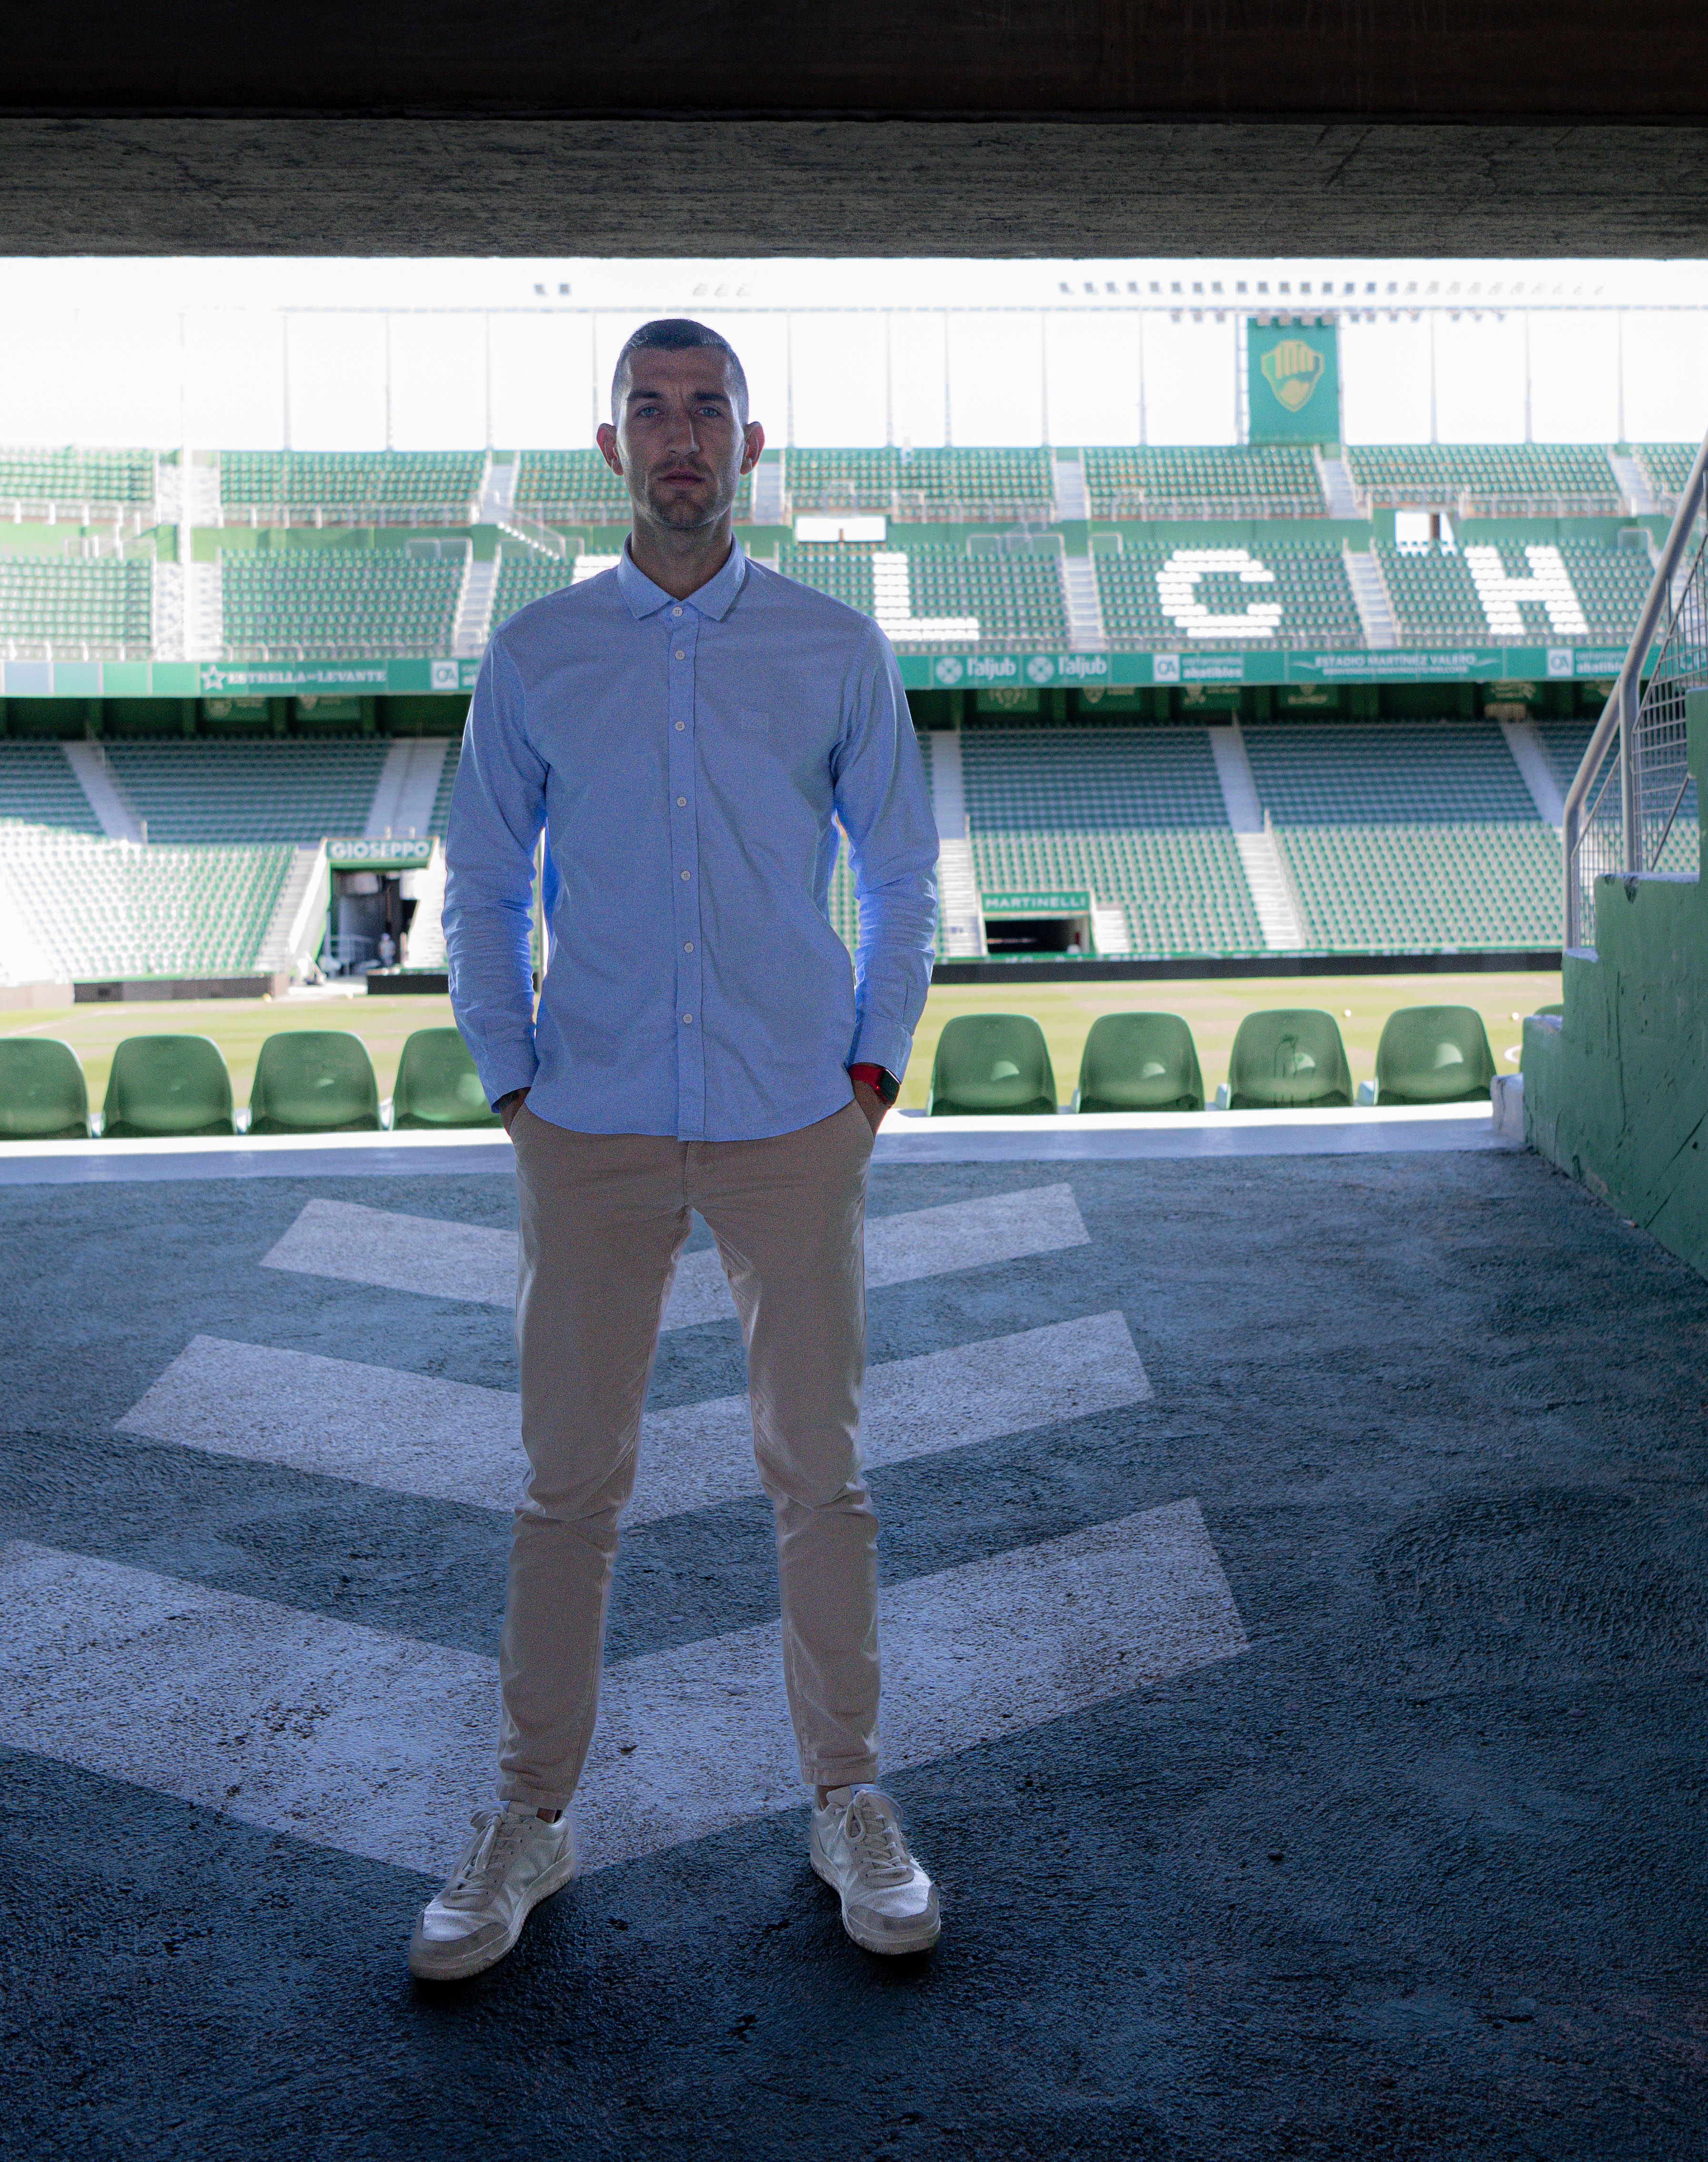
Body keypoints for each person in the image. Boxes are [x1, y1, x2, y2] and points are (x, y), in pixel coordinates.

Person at [411, 319, 941, 1980]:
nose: (682, 436)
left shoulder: (836, 648)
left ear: (750, 444)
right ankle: (529, 1818)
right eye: (652, 410)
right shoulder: (540, 653)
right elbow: (481, 880)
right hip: (591, 1121)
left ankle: (848, 1798)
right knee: (568, 1486)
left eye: (708, 408)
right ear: (613, 447)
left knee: (819, 1475)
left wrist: (869, 1072)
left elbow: (903, 876)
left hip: (795, 1115)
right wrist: (512, 1080)